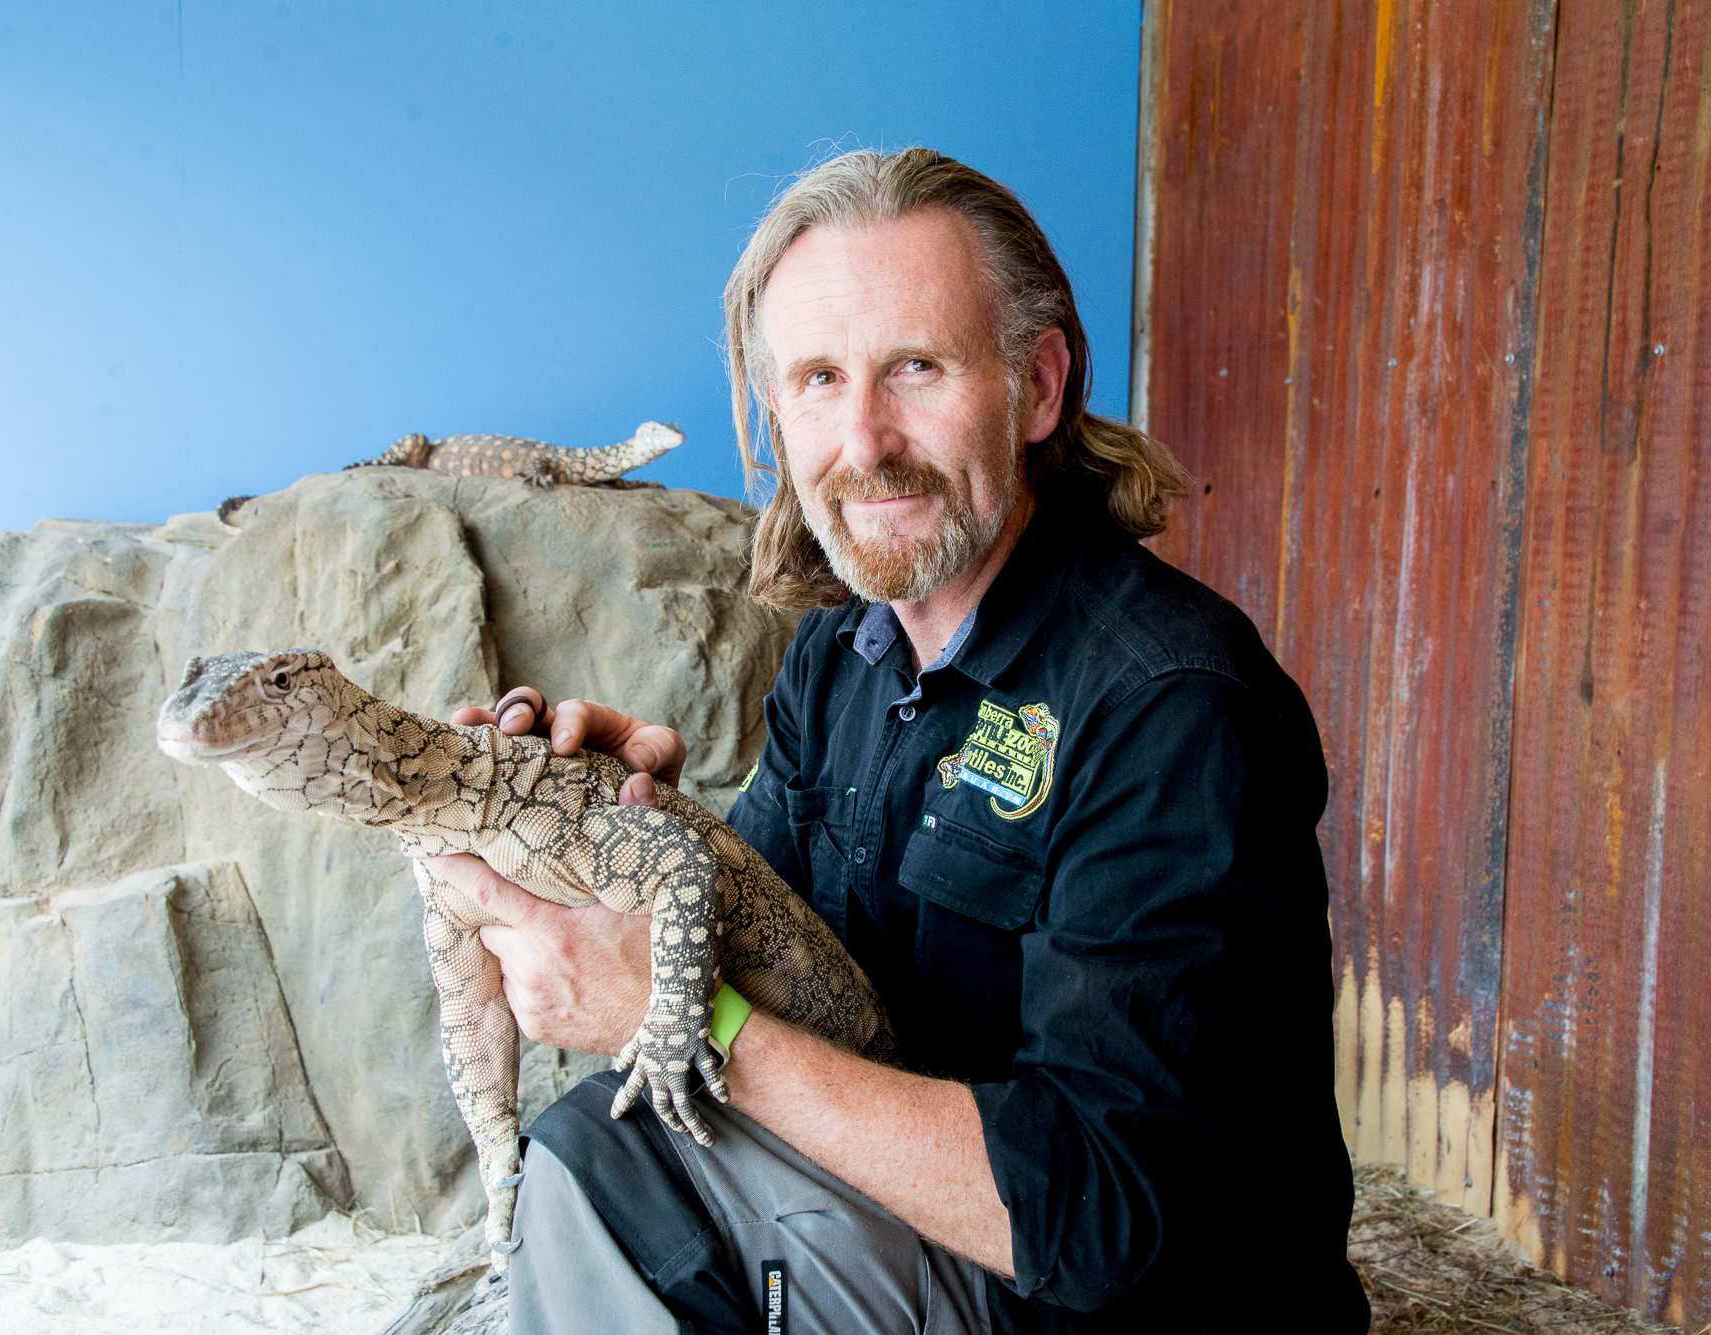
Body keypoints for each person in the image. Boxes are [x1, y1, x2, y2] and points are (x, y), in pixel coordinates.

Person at [427, 147, 1368, 1332]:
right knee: (605, 1150)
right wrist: (624, 829)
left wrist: (677, 1017)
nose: (863, 441)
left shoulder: (1168, 706)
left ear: (1037, 387)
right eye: (819, 379)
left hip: (1099, 1298)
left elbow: (1100, 1223)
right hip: (923, 1222)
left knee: (617, 1183)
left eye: (915, 368)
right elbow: (778, 959)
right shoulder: (841, 655)